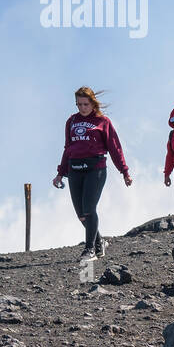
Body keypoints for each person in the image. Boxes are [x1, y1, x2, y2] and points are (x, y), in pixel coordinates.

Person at [52, 86, 132, 262]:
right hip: (74, 169)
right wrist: (60, 173)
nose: (82, 108)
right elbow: (68, 148)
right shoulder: (71, 121)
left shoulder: (103, 121)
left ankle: (90, 250)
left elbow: (115, 148)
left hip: (95, 168)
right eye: (78, 104)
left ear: (93, 103)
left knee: (89, 209)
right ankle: (99, 242)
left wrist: (124, 171)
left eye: (85, 104)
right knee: (81, 214)